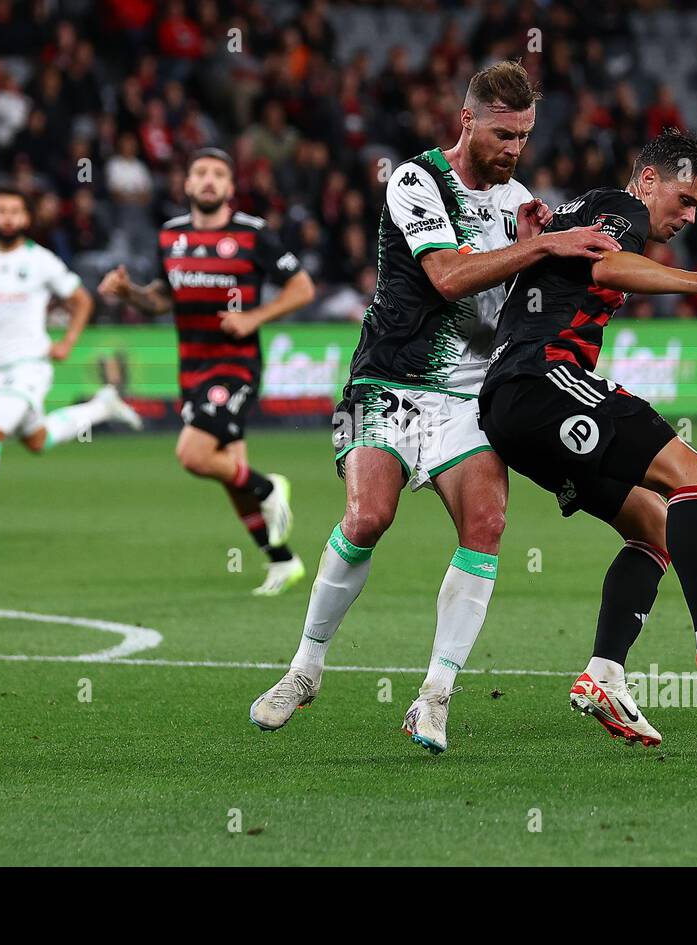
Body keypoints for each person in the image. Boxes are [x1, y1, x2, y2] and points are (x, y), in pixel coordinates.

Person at [248, 61, 624, 754]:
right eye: (504, 133)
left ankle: (434, 696)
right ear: (467, 121)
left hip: (468, 391)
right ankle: (305, 668)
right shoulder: (416, 179)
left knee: (487, 522)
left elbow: (537, 291)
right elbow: (447, 277)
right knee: (367, 516)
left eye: (525, 135)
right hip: (384, 381)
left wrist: (547, 251)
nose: (514, 148)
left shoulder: (522, 203)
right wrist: (538, 244)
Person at [479, 129, 697, 747]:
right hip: (542, 382)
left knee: (652, 527)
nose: (686, 216)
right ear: (648, 180)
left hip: (511, 409)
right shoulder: (620, 209)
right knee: (692, 472)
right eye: (682, 200)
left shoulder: (579, 211)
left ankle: (603, 674)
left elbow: (559, 274)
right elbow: (604, 263)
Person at [99, 148, 316, 597]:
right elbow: (162, 298)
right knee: (227, 469)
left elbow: (302, 287)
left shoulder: (255, 235)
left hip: (235, 365)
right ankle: (282, 560)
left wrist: (254, 318)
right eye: (200, 172)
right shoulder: (170, 237)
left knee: (194, 455)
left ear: (231, 188)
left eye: (219, 173)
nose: (210, 180)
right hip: (192, 368)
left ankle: (269, 486)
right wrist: (129, 293)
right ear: (187, 184)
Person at [0, 188, 143, 546]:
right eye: (0, 211)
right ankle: (102, 406)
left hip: (31, 368)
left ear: (25, 219)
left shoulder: (41, 260)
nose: (7, 218)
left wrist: (67, 341)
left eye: (14, 211)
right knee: (38, 440)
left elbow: (82, 300)